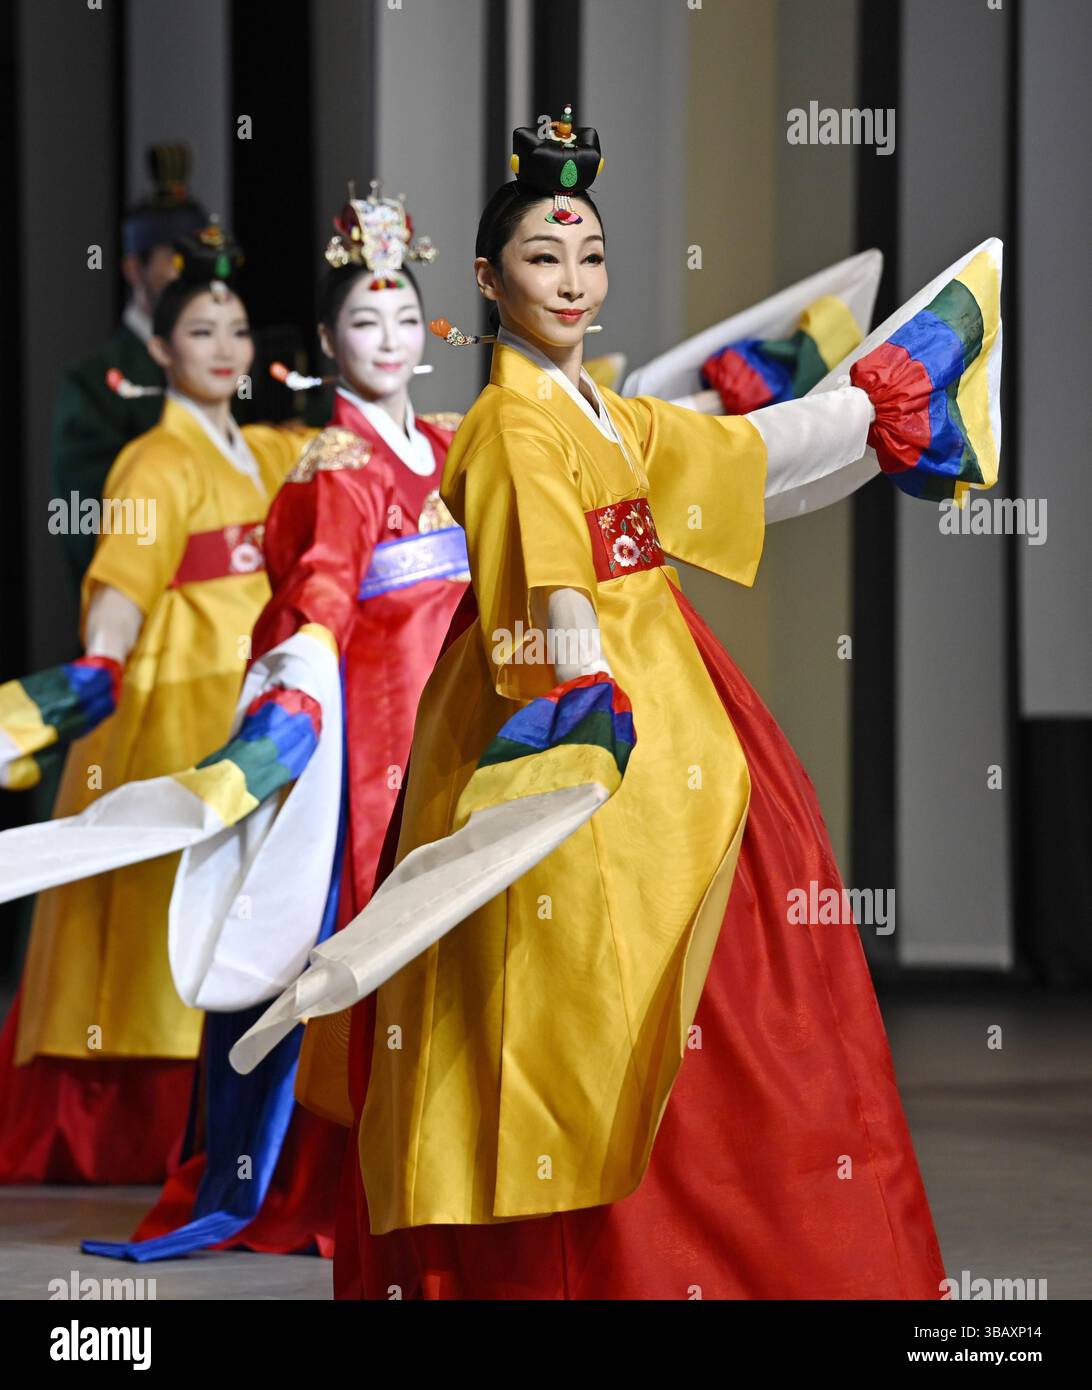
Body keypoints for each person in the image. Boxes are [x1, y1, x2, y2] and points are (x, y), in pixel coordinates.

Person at [324, 112, 1000, 1298]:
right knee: (598, 997)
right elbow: (551, 589)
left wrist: (888, 394)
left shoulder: (608, 414)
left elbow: (752, 454)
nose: (572, 280)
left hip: (674, 708)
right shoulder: (511, 423)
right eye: (542, 256)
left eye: (587, 256)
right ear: (488, 279)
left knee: (724, 996)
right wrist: (584, 712)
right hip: (577, 721)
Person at [80, 183, 470, 1258]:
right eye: (362, 321)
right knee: (354, 942)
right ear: (331, 343)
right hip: (370, 742)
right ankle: (337, 1176)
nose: (386, 338)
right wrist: (297, 695)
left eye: (402, 318)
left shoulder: (449, 443)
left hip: (453, 723)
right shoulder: (334, 465)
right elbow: (318, 595)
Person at [0, 220, 312, 1184]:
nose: (224, 349)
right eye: (202, 333)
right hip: (177, 700)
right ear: (163, 352)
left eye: (237, 332)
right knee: (161, 888)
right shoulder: (154, 460)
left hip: (259, 695)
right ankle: (146, 1117)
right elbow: (125, 578)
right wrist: (100, 664)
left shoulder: (270, 452)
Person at [50, 143, 208, 598]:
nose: (190, 276)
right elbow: (80, 514)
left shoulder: (236, 364)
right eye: (175, 261)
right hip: (151, 602)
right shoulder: (91, 382)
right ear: (133, 268)